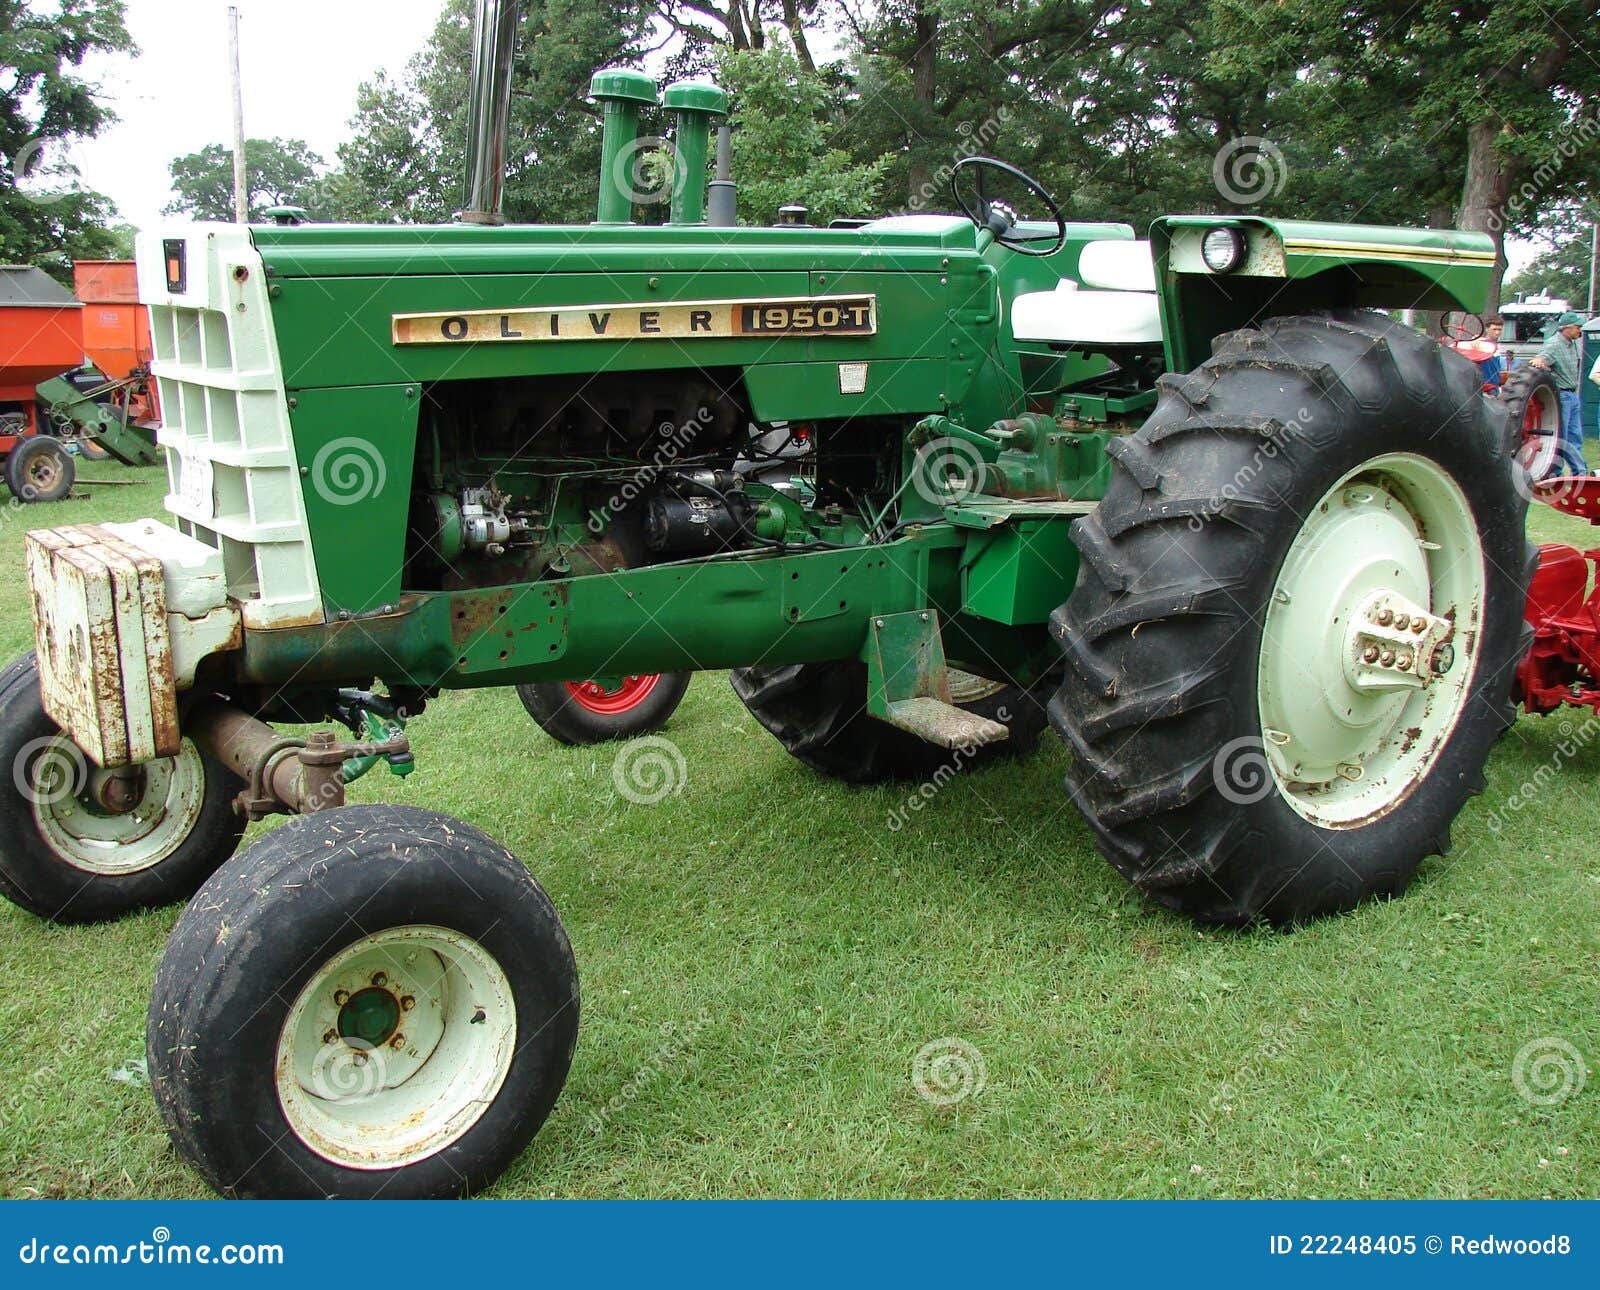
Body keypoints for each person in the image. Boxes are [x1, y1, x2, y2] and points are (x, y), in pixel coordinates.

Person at [1530, 311, 1589, 476]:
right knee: (1561, 437)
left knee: (1575, 436)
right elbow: (1542, 358)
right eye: (1578, 327)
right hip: (1561, 396)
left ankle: (1563, 472)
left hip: (1573, 395)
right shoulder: (1554, 344)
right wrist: (1539, 361)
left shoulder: (1573, 344)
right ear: (1567, 328)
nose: (1580, 330)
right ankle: (1576, 471)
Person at [1476, 318, 1506, 386]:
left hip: (1495, 386)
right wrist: (1475, 340)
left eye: (1499, 329)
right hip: (1484, 386)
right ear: (1487, 329)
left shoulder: (1498, 347)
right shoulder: (1480, 342)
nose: (1497, 332)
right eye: (1494, 329)